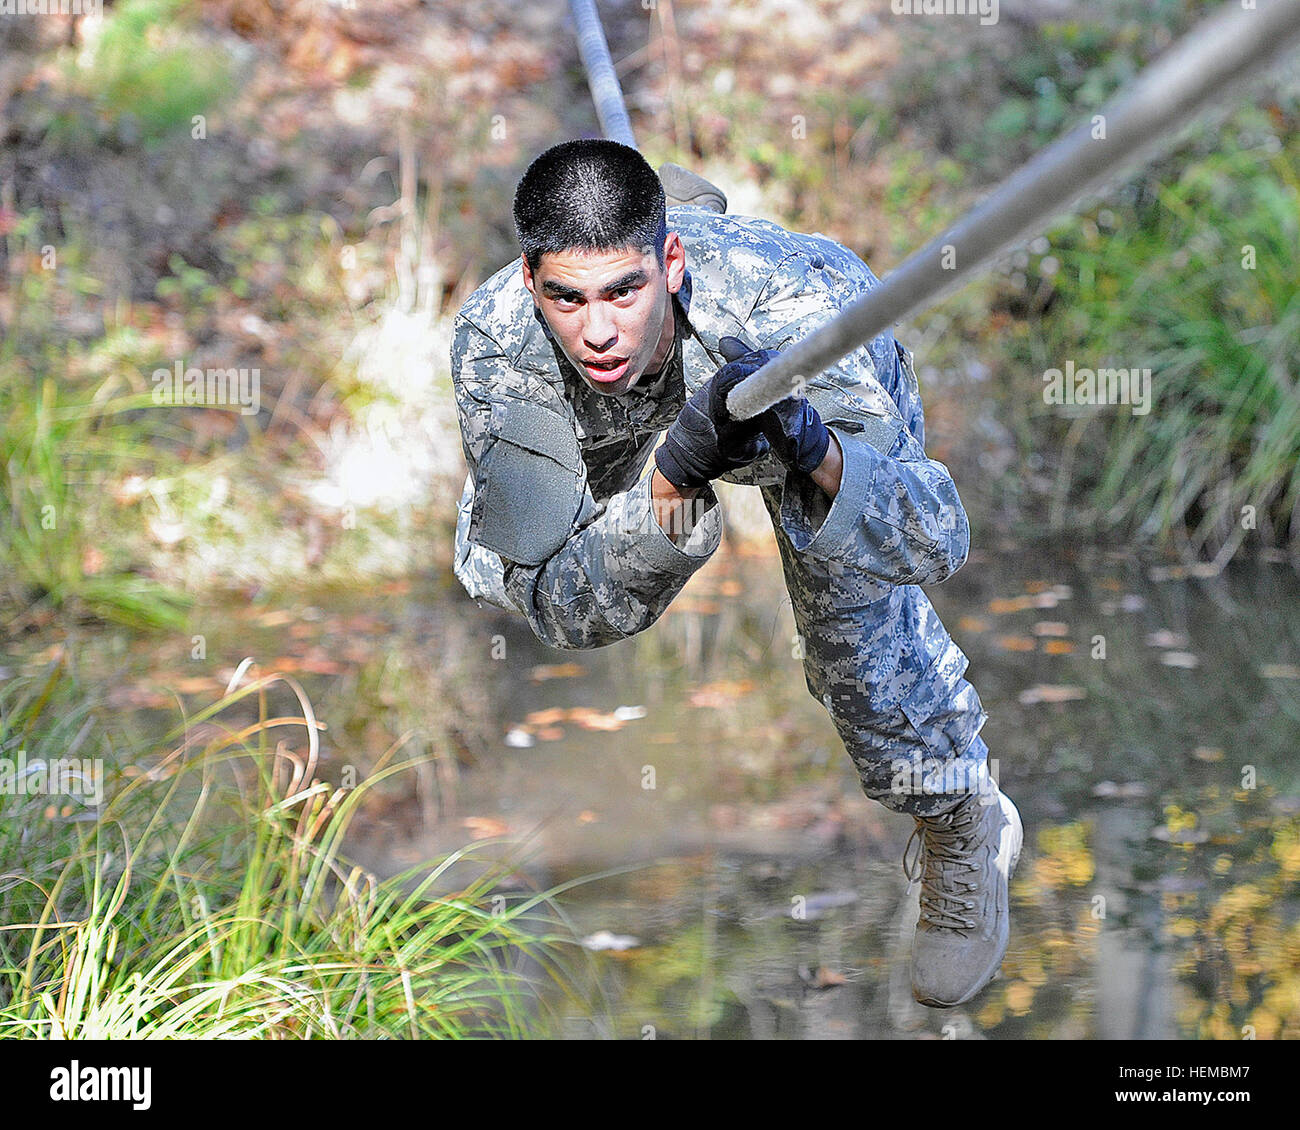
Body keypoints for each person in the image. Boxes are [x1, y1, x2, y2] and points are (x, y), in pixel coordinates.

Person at [450, 138, 1022, 1008]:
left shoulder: (807, 310)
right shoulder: (502, 343)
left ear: (668, 261)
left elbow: (935, 541)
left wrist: (818, 451)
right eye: (567, 297)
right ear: (531, 282)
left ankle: (961, 819)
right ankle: (664, 285)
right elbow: (566, 606)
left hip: (784, 394)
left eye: (623, 289)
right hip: (635, 421)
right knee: (490, 560)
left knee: (855, 645)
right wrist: (675, 477)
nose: (596, 329)